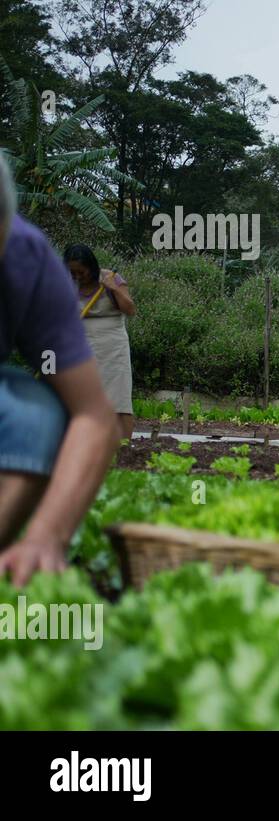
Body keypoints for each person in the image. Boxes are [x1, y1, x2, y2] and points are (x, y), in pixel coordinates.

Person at [0, 158, 120, 586]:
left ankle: (18, 555)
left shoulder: (25, 256)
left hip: (104, 341)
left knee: (38, 410)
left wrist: (46, 535)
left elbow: (93, 417)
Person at [64, 243, 136, 439]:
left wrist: (114, 289)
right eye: (72, 272)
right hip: (79, 345)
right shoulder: (64, 282)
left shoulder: (110, 278)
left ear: (92, 267)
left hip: (112, 346)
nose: (77, 276)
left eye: (81, 272)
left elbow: (130, 310)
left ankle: (125, 448)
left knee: (118, 399)